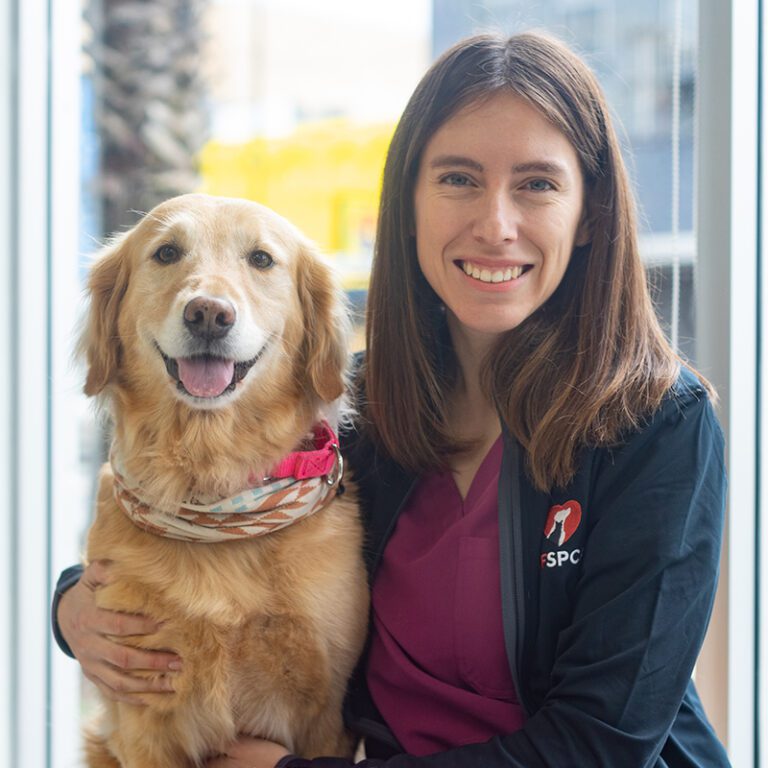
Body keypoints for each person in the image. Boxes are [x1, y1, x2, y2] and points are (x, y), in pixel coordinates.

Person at [53, 31, 730, 768]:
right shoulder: (357, 411)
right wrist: (71, 607)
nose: (495, 224)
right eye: (458, 180)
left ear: (592, 212)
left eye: (537, 184)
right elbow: (213, 519)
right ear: (407, 206)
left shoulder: (659, 426)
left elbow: (600, 745)